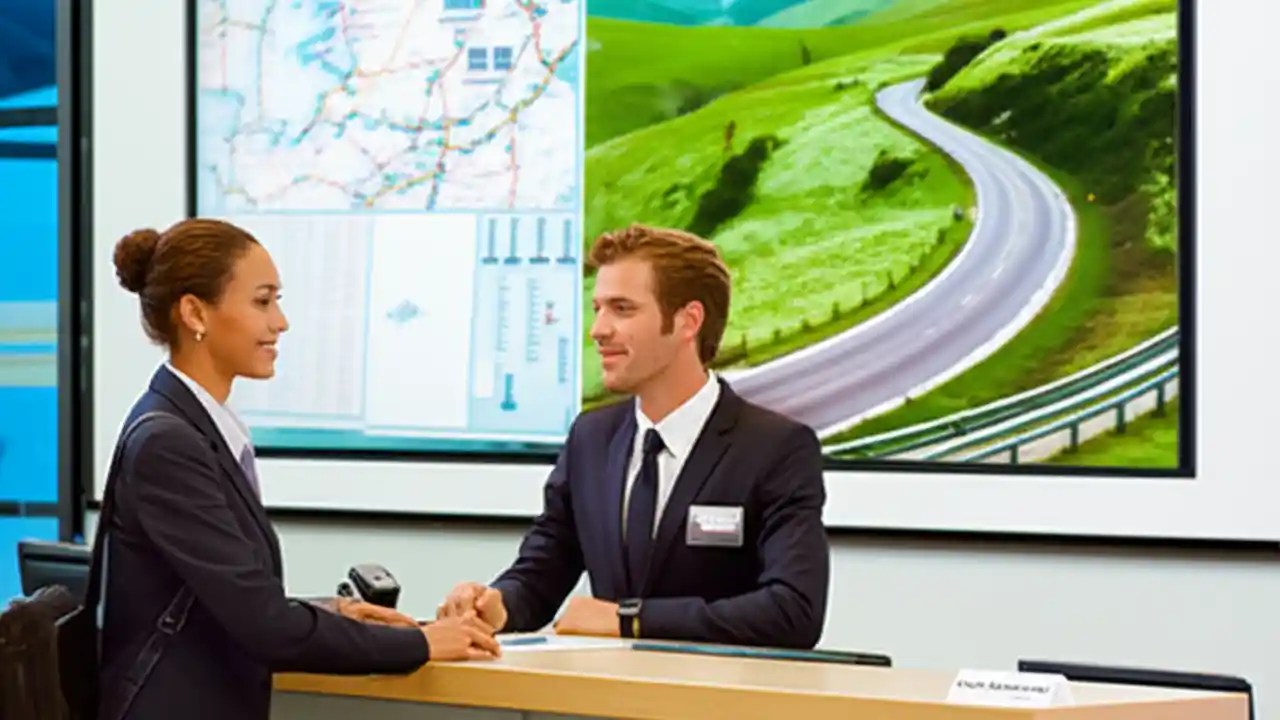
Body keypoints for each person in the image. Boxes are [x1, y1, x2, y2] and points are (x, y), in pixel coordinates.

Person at [100, 219, 499, 720]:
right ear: (195, 312)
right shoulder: (169, 441)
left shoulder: (196, 426)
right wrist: (422, 644)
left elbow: (227, 597)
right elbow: (264, 625)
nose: (280, 322)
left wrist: (331, 613)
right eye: (263, 301)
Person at [439, 224, 829, 648]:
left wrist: (630, 619)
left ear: (687, 321)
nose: (598, 330)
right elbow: (542, 572)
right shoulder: (592, 437)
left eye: (622, 309)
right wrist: (498, 604)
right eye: (597, 308)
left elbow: (793, 612)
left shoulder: (775, 448)